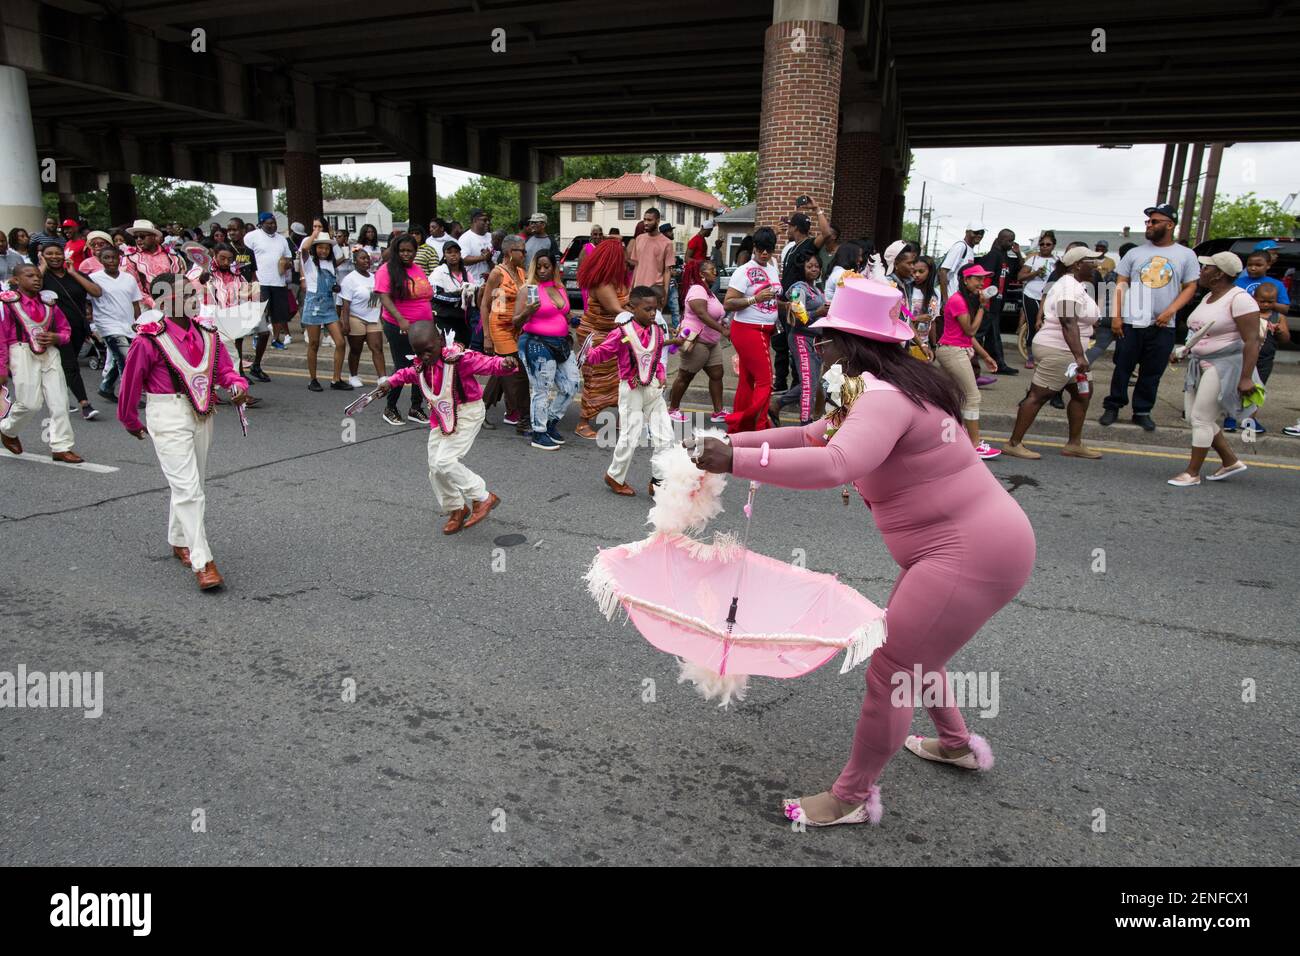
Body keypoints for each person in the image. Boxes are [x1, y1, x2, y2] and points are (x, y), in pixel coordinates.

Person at [687, 278, 1035, 827]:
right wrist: (729, 445)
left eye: (824, 337)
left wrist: (733, 463)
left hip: (971, 553)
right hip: (962, 548)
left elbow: (834, 465)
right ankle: (956, 743)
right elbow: (809, 438)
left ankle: (852, 797)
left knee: (894, 667)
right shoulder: (879, 389)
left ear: (850, 343)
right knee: (917, 652)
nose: (817, 346)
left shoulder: (884, 397)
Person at [117, 274, 249, 590]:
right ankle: (203, 562)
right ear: (161, 300)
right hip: (167, 413)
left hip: (203, 413)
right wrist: (130, 419)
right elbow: (131, 383)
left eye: (192, 292)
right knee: (189, 489)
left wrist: (237, 385)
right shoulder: (149, 339)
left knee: (193, 483)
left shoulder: (207, 333)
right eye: (180, 293)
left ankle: (179, 539)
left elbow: (225, 371)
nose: (189, 298)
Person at [374, 322, 519, 534]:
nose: (424, 356)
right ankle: (456, 508)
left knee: (445, 461)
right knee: (435, 466)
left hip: (467, 413)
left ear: (441, 341)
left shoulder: (459, 360)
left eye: (428, 350)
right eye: (418, 352)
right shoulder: (421, 366)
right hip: (441, 418)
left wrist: (506, 363)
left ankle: (483, 497)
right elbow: (406, 374)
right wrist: (389, 382)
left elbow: (488, 363)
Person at [1100, 203, 1199, 431]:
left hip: (1163, 324)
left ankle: (1142, 410)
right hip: (1132, 321)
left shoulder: (1186, 255)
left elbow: (1190, 286)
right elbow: (1121, 284)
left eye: (1154, 221)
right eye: (1148, 221)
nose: (1149, 225)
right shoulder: (1135, 253)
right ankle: (1113, 406)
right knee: (1123, 366)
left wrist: (1170, 310)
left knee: (1152, 370)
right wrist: (1117, 316)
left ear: (1170, 224)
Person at [1002, 247, 1106, 461]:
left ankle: (1074, 444)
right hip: (1060, 350)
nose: (1096, 265)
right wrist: (1079, 356)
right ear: (1077, 265)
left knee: (1082, 393)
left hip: (1069, 350)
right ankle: (1013, 443)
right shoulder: (1069, 287)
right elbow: (1067, 321)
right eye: (1091, 261)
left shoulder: (1075, 286)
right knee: (1038, 396)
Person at [1166, 253, 1260, 486]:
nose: (1201, 270)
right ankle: (1230, 461)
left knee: (1201, 418)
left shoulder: (1240, 299)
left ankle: (1192, 473)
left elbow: (1252, 341)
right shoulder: (1210, 295)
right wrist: (1184, 350)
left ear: (1219, 273)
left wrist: (1246, 378)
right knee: (1197, 417)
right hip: (1202, 364)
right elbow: (1200, 332)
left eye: (1205, 267)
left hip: (1226, 365)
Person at [583, 286, 673, 497]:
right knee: (630, 436)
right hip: (631, 390)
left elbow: (656, 356)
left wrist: (660, 374)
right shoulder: (622, 332)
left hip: (652, 388)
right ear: (632, 308)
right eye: (647, 309)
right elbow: (602, 353)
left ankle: (659, 480)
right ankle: (615, 476)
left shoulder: (657, 331)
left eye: (655, 309)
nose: (653, 313)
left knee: (666, 437)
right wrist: (588, 354)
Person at [0, 264, 84, 462]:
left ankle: (61, 446)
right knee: (29, 403)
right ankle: (7, 429)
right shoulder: (8, 303)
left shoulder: (49, 303)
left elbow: (65, 330)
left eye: (38, 276)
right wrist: (2, 367)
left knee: (60, 401)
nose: (36, 279)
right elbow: (1, 337)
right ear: (16, 281)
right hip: (21, 351)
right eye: (29, 276)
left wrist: (57, 338)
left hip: (50, 353)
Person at [934, 263, 1001, 460]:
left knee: (950, 397)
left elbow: (967, 336)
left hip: (954, 350)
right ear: (965, 280)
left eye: (983, 279)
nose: (982, 282)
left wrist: (986, 356)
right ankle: (975, 445)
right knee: (972, 397)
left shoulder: (963, 299)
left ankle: (946, 438)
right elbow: (971, 331)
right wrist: (982, 306)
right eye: (977, 278)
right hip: (953, 352)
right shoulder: (958, 301)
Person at [513, 250, 579, 450]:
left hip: (561, 343)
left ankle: (549, 422)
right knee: (542, 389)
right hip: (536, 344)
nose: (542, 271)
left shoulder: (559, 288)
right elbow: (515, 322)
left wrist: (573, 320)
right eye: (539, 266)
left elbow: (564, 312)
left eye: (547, 266)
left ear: (553, 268)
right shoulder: (528, 290)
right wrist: (527, 312)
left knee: (572, 385)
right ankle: (539, 433)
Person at [723, 226, 780, 433]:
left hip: (765, 330)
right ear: (754, 248)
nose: (765, 253)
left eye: (769, 249)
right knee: (765, 381)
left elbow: (773, 299)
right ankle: (758, 426)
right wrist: (754, 298)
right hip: (748, 330)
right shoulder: (743, 271)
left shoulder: (772, 267)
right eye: (761, 249)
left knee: (747, 382)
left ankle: (740, 430)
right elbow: (728, 303)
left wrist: (787, 307)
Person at [1227, 250, 1291, 434]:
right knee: (1235, 384)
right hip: (1242, 352)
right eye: (1250, 264)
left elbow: (1285, 336)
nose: (1253, 268)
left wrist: (1278, 329)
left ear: (1268, 265)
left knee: (1258, 386)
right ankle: (1230, 417)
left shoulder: (1277, 313)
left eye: (1269, 301)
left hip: (1264, 357)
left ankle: (1250, 419)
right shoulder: (1240, 285)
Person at [574, 236, 631, 440]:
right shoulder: (603, 282)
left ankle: (620, 419)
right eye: (623, 258)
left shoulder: (618, 281)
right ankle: (582, 422)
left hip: (613, 335)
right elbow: (616, 309)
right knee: (596, 379)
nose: (626, 261)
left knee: (619, 378)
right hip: (597, 336)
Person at [375, 233, 434, 426]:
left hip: (423, 328)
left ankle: (415, 407)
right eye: (402, 251)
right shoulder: (386, 270)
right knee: (403, 366)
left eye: (410, 251)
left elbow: (425, 296)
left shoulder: (417, 269)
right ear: (395, 251)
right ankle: (390, 407)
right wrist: (401, 320)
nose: (406, 254)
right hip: (399, 325)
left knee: (422, 365)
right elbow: (384, 297)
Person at [39, 242, 102, 420]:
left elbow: (96, 292)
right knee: (70, 365)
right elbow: (32, 289)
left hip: (79, 328)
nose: (54, 257)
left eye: (57, 253)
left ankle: (59, 399)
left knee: (65, 365)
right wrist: (42, 267)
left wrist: (73, 272)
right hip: (54, 331)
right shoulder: (40, 278)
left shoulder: (74, 275)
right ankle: (85, 404)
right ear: (42, 256)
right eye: (48, 254)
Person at [667, 258, 728, 424]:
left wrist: (724, 322)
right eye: (711, 269)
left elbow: (716, 313)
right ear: (701, 273)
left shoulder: (709, 291)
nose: (715, 272)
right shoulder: (697, 289)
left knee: (717, 374)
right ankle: (673, 409)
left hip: (712, 341)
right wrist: (722, 329)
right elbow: (701, 314)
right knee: (685, 376)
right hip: (697, 341)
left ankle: (718, 412)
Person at [480, 235, 531, 432]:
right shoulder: (497, 273)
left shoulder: (521, 271)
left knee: (500, 373)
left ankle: (480, 411)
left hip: (517, 328)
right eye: (522, 251)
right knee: (516, 372)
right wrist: (486, 336)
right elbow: (486, 305)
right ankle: (523, 418)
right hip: (500, 328)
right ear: (511, 252)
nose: (525, 254)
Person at [775, 251, 829, 425]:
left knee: (812, 382)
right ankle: (805, 422)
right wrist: (818, 312)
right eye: (809, 266)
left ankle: (777, 404)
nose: (814, 269)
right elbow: (799, 318)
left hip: (815, 341)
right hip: (801, 339)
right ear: (802, 268)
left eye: (817, 266)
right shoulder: (798, 288)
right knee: (808, 384)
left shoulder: (816, 289)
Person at [87, 245, 142, 402]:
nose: (111, 261)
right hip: (108, 324)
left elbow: (135, 303)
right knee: (126, 360)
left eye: (114, 257)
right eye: (107, 257)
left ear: (119, 258)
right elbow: (88, 303)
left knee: (123, 357)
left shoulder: (129, 278)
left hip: (128, 324)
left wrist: (139, 323)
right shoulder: (94, 278)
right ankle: (130, 397)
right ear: (100, 260)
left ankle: (106, 387)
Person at [298, 226, 349, 392]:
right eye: (320, 247)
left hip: (328, 306)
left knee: (340, 343)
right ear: (315, 248)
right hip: (313, 305)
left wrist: (332, 240)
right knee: (313, 344)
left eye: (326, 247)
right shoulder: (308, 261)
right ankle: (313, 379)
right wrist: (314, 234)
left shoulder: (332, 262)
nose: (324, 250)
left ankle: (336, 379)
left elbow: (342, 255)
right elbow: (304, 248)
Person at [243, 212, 294, 357]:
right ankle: (257, 337)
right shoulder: (251, 237)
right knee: (260, 313)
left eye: (274, 223)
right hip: (260, 281)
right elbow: (245, 258)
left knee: (278, 314)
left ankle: (276, 339)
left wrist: (287, 264)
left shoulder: (282, 240)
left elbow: (288, 257)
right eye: (269, 223)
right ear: (261, 223)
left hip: (278, 282)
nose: (272, 226)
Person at [974, 228, 1020, 375]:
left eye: (1013, 240)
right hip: (989, 302)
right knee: (979, 335)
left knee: (993, 336)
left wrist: (1018, 253)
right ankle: (970, 364)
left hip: (997, 302)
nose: (1011, 243)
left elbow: (1018, 271)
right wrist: (984, 302)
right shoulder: (993, 256)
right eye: (1009, 240)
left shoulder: (1005, 256)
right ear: (1000, 239)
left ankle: (998, 364)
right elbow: (985, 279)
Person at [338, 247, 385, 388]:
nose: (366, 261)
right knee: (356, 349)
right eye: (362, 258)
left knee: (377, 347)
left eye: (367, 258)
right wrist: (345, 323)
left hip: (373, 317)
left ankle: (382, 377)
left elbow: (380, 297)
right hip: (355, 317)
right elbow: (345, 304)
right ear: (355, 261)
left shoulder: (374, 277)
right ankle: (353, 375)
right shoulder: (349, 280)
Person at [121, 219, 186, 308]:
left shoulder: (171, 256)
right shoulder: (131, 259)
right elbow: (133, 287)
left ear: (153, 236)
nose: (139, 240)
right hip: (147, 307)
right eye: (136, 237)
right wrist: (154, 303)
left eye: (142, 236)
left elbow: (181, 278)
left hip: (175, 304)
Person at [1017, 231, 1058, 369]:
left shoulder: (1057, 261)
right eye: (1042, 244)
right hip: (1031, 295)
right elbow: (1020, 277)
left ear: (1053, 246)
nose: (1045, 247)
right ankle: (1030, 357)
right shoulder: (1033, 260)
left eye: (1048, 244)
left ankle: (1045, 356)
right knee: (1032, 325)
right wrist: (1035, 273)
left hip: (1049, 297)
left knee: (1048, 327)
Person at [430, 239, 474, 347]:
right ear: (444, 255)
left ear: (460, 254)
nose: (453, 255)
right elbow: (435, 295)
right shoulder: (439, 271)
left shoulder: (466, 273)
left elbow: (473, 292)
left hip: (463, 320)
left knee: (465, 349)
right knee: (451, 349)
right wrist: (459, 296)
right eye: (449, 252)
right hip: (445, 318)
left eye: (456, 252)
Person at [628, 207, 674, 295]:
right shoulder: (639, 239)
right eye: (644, 220)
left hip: (656, 290)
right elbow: (637, 265)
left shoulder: (667, 243)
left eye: (649, 220)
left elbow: (667, 270)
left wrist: (665, 292)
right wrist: (631, 287)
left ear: (657, 221)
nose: (646, 223)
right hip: (639, 289)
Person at [938, 222, 985, 306]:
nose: (979, 235)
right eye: (976, 232)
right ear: (967, 232)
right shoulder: (960, 247)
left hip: (960, 298)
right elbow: (943, 271)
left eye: (982, 233)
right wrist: (945, 300)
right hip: (952, 297)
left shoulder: (969, 250)